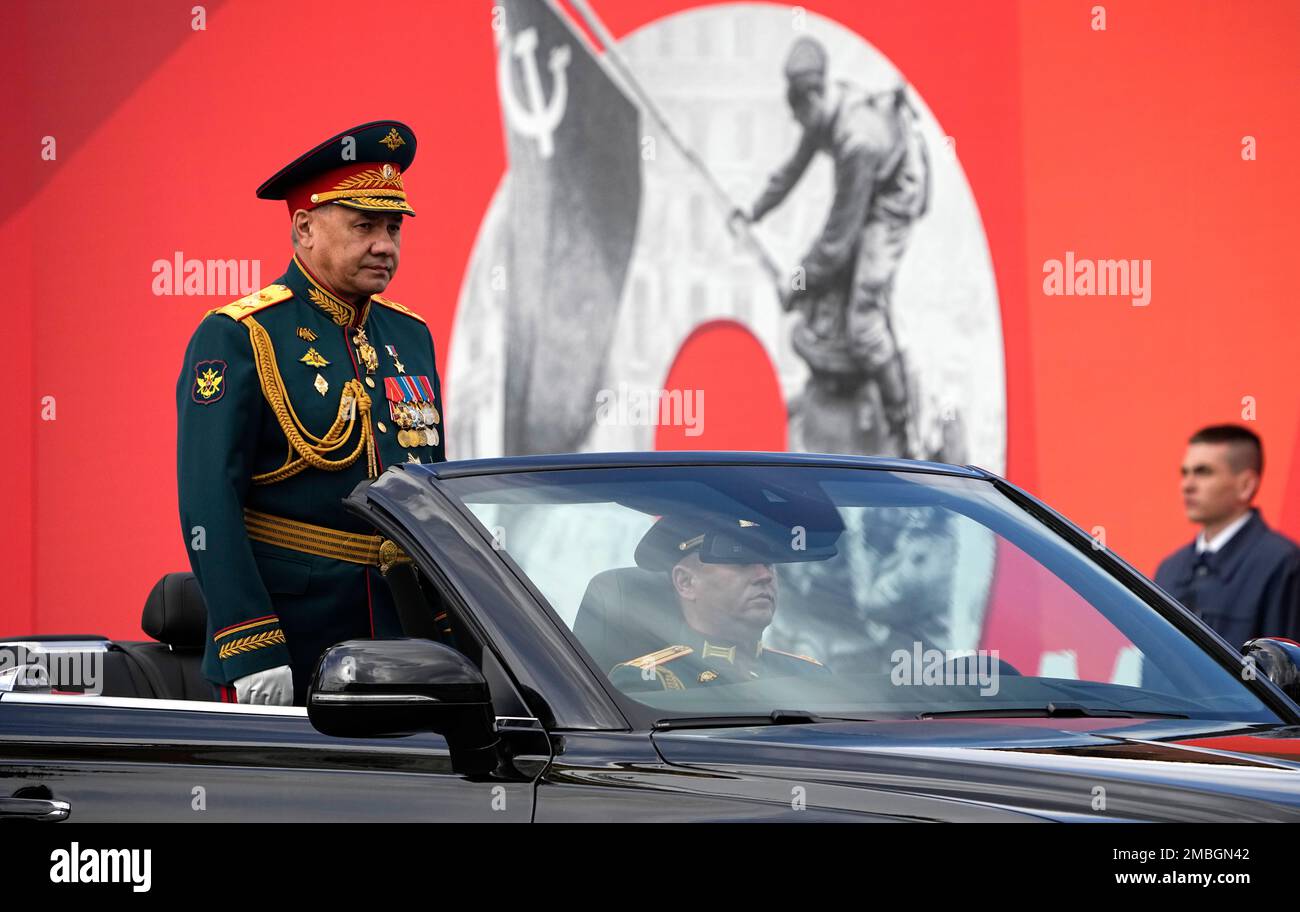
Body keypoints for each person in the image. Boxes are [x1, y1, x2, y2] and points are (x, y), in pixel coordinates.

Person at [177, 120, 449, 706]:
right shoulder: (239, 334)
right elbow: (209, 502)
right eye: (364, 225)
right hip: (296, 636)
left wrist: (452, 630)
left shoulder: (411, 333)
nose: (385, 244)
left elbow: (431, 494)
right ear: (304, 228)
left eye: (393, 227)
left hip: (404, 634)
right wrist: (250, 642)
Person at [731, 35, 929, 458]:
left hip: (894, 196)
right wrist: (753, 211)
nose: (804, 132)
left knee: (863, 321)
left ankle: (903, 429)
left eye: (803, 118)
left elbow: (837, 243)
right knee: (838, 284)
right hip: (872, 183)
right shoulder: (824, 110)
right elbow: (792, 170)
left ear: (815, 97)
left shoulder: (856, 141)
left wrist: (796, 284)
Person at [610, 515, 828, 691]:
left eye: (768, 563)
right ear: (686, 582)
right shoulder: (651, 682)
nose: (764, 575)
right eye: (741, 562)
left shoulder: (811, 676)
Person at [1154, 425, 1300, 648]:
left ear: (1246, 485)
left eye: (1203, 472)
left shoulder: (1283, 564)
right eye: (1185, 472)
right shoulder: (1170, 569)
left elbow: (1286, 674)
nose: (1187, 485)